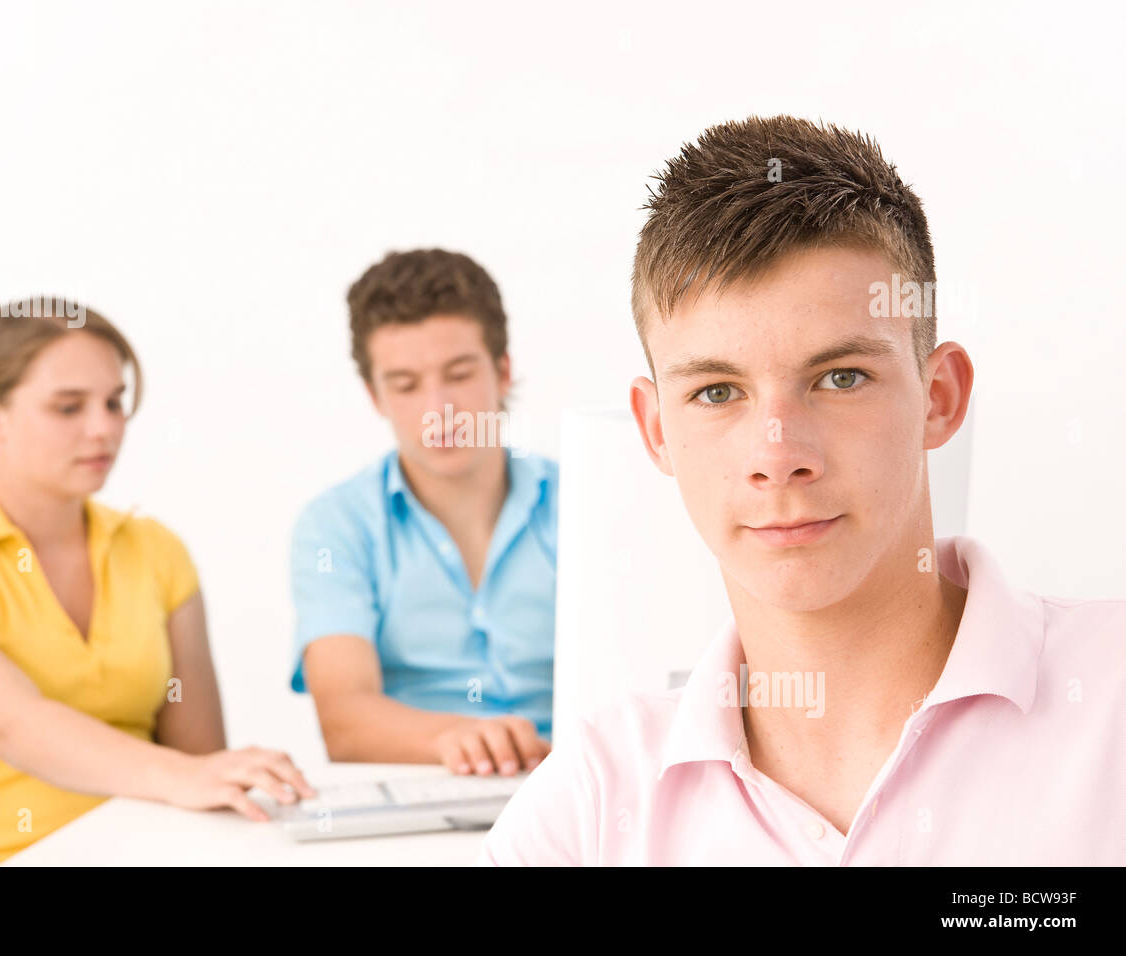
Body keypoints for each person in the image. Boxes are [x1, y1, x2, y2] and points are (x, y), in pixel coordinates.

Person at [479, 115, 1126, 865]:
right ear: (655, 430)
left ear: (940, 397)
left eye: (841, 378)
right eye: (718, 393)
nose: (778, 457)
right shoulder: (590, 805)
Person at [0, 299, 314, 866]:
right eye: (68, 407)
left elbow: (200, 762)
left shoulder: (156, 552)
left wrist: (224, 781)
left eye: (114, 402)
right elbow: (15, 725)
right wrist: (184, 775)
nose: (103, 428)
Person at [290, 249, 557, 776]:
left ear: (502, 372)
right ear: (375, 395)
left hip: (575, 786)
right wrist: (459, 739)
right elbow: (343, 719)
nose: (438, 410)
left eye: (458, 374)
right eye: (406, 385)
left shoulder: (585, 501)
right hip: (422, 782)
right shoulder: (335, 525)